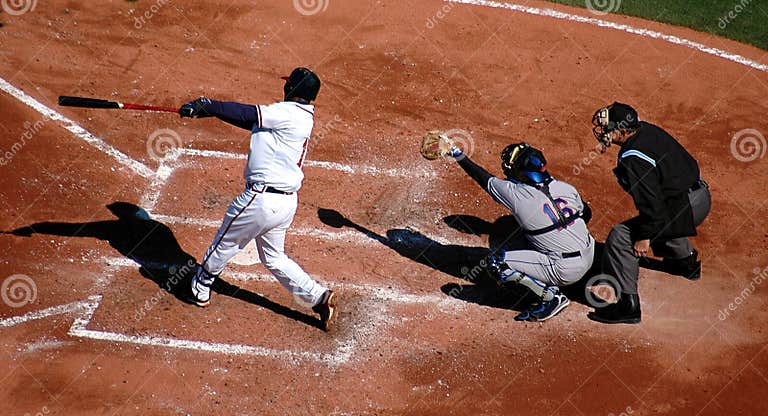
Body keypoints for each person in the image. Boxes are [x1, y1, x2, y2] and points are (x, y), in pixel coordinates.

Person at [178, 67, 337, 331]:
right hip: (284, 203)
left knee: (226, 241)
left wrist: (208, 104)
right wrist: (210, 112)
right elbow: (251, 121)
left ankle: (201, 287)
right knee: (274, 258)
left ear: (291, 90)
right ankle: (318, 297)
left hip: (261, 200)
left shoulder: (285, 113)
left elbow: (248, 113)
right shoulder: (301, 117)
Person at [588, 102, 711, 324]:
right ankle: (686, 264)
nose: (605, 132)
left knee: (621, 237)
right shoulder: (645, 129)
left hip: (687, 207)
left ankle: (628, 307)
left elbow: (651, 206)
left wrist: (643, 238)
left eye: (609, 129)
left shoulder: (633, 158)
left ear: (624, 131)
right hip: (699, 196)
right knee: (664, 216)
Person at [447, 141, 595, 321]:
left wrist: (457, 154)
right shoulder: (565, 188)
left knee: (497, 264)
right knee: (529, 232)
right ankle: (564, 275)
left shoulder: (516, 194)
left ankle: (551, 298)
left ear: (521, 172)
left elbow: (483, 178)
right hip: (590, 255)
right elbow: (586, 214)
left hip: (564, 270)